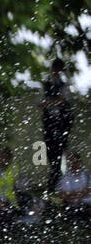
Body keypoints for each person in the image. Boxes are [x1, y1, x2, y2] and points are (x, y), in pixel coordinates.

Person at [41, 59, 75, 193]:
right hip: (51, 123)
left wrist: (51, 102)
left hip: (62, 123)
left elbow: (64, 99)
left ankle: (56, 184)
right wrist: (54, 101)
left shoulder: (63, 84)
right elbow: (42, 103)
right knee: (52, 156)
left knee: (60, 154)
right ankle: (54, 182)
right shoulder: (47, 84)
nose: (56, 72)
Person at [54, 152, 91, 223]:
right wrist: (80, 195)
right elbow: (62, 195)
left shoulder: (87, 175)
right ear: (70, 164)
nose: (75, 164)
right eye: (72, 162)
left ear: (80, 163)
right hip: (72, 205)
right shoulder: (65, 178)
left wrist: (72, 195)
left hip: (87, 205)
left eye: (76, 162)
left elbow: (88, 191)